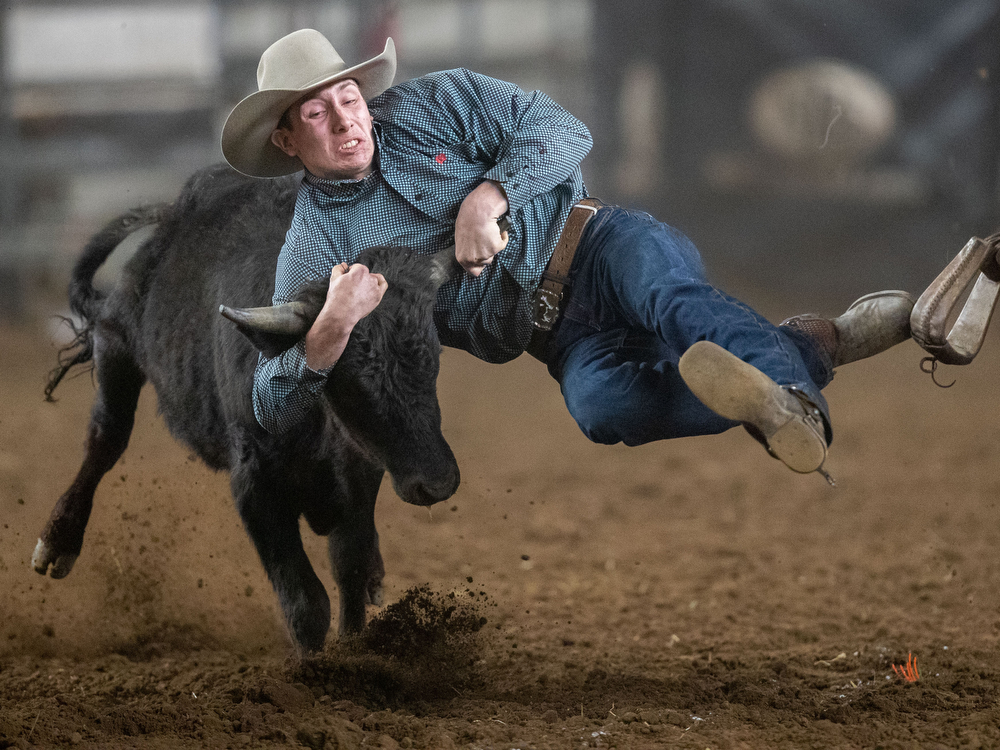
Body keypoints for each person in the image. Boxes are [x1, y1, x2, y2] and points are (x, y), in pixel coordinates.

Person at [221, 29, 914, 482]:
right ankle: (803, 351)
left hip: (601, 244)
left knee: (675, 304)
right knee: (604, 410)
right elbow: (268, 405)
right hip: (556, 338)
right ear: (285, 141)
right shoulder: (314, 249)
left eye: (348, 98)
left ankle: (793, 399)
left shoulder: (437, 103)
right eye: (316, 114)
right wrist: (330, 331)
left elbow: (560, 129)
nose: (345, 121)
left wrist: (486, 198)